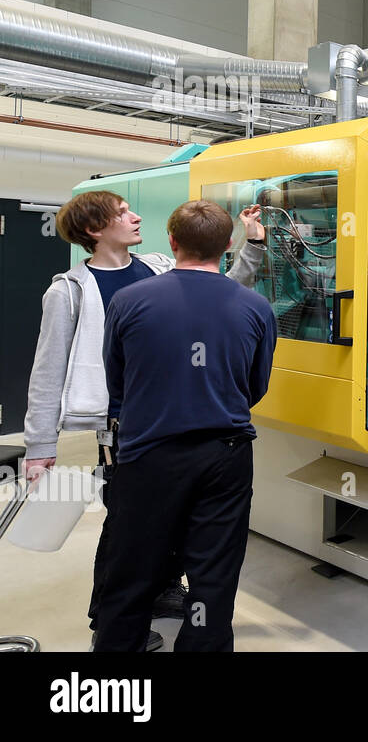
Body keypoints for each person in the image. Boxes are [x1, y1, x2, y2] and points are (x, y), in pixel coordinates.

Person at [22, 190, 266, 644]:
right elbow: (48, 370)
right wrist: (40, 447)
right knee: (127, 539)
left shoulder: (156, 268)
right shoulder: (70, 291)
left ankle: (158, 599)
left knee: (155, 529)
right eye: (122, 213)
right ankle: (111, 624)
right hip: (124, 429)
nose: (135, 216)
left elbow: (215, 287)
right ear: (95, 230)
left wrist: (251, 247)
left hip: (158, 424)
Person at [93, 200, 277, 653]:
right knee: (213, 571)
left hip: (146, 452)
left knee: (132, 566)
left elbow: (117, 379)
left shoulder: (128, 300)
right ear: (229, 244)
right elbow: (254, 387)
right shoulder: (255, 308)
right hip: (225, 454)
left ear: (172, 242)